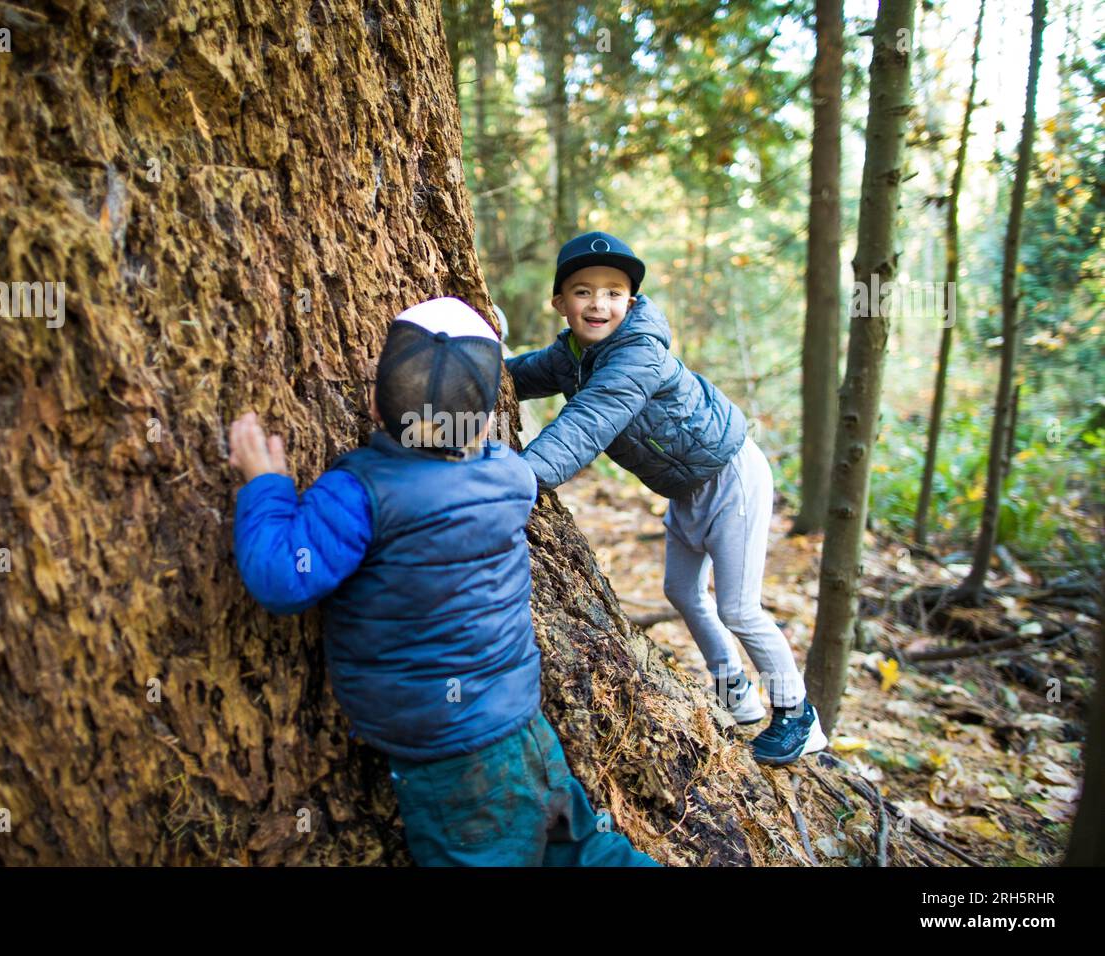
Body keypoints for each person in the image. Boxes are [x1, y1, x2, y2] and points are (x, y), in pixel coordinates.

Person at [230, 295, 661, 866]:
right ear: (484, 421)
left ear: (374, 407)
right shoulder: (511, 475)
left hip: (449, 756)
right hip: (520, 722)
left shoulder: (359, 493)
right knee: (580, 848)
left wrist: (265, 486)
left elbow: (283, 579)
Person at [504, 232, 828, 766]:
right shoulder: (571, 356)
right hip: (685, 490)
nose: (598, 304)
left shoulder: (638, 355)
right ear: (560, 303)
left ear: (630, 303)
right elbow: (515, 377)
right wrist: (471, 363)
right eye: (583, 292)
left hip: (731, 477)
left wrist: (514, 477)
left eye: (613, 292)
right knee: (681, 590)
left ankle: (797, 713)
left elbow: (588, 424)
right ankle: (736, 695)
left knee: (739, 607)